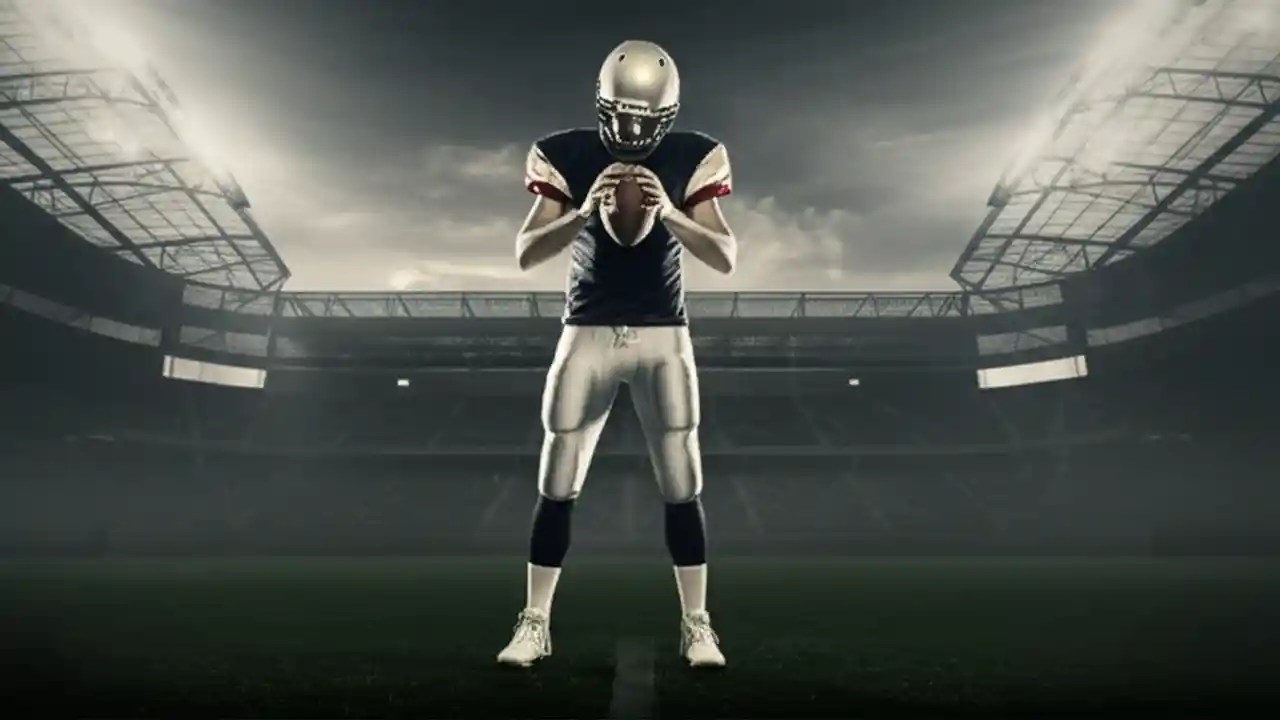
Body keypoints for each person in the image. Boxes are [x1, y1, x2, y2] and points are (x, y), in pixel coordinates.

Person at [496, 39, 738, 668]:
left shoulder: (694, 156)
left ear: (668, 113)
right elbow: (526, 253)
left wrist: (670, 212)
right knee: (557, 476)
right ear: (602, 104)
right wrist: (580, 214)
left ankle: (698, 623)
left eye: (643, 118)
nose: (630, 130)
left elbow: (724, 255)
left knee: (683, 480)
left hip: (663, 333)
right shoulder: (566, 153)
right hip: (588, 329)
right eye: (621, 115)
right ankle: (535, 621)